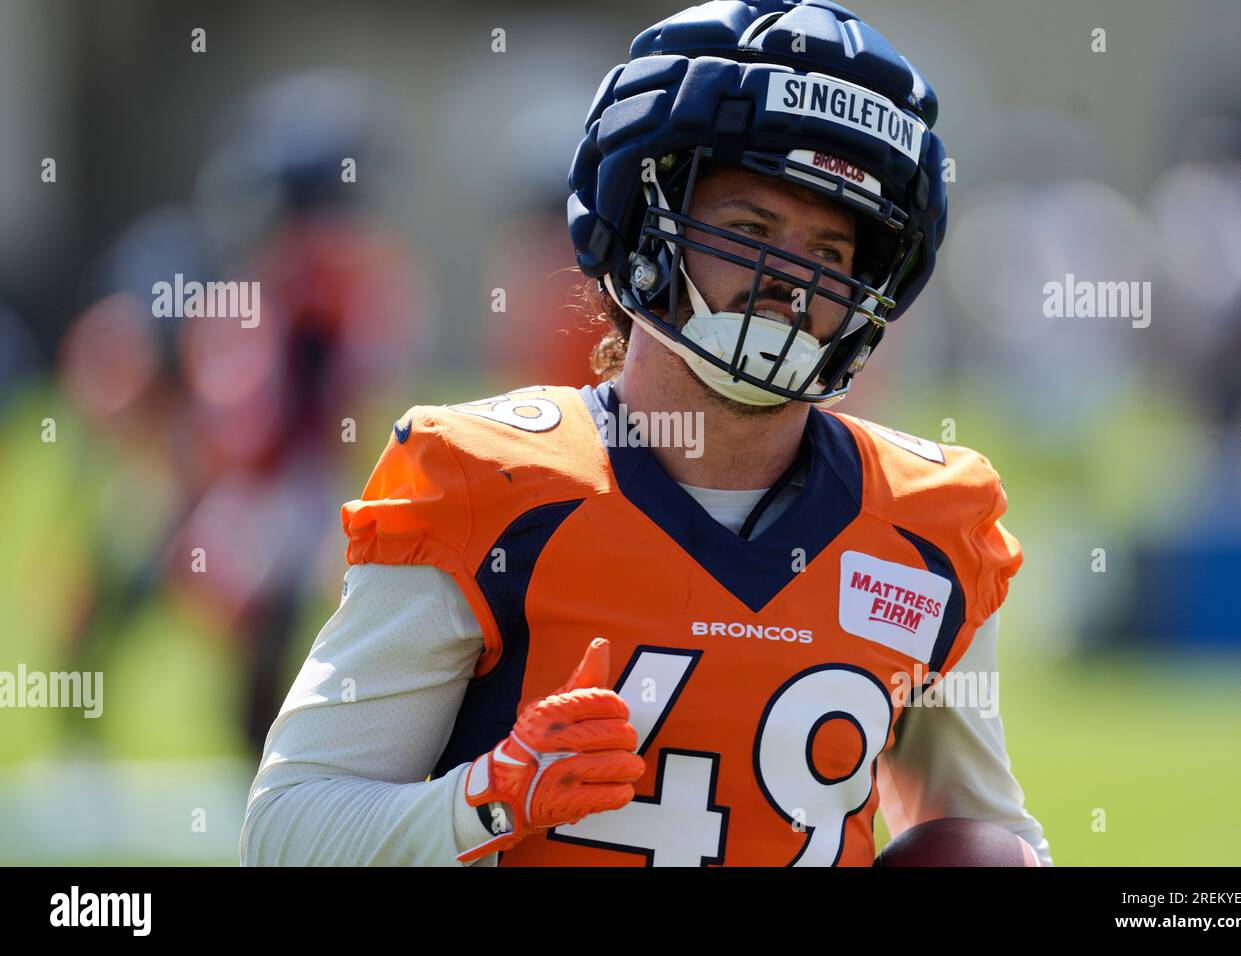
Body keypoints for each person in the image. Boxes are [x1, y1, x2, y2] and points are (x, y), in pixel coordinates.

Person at [242, 0, 1051, 867]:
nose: (792, 281)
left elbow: (987, 838)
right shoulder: (490, 487)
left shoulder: (925, 530)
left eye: (831, 251)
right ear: (646, 227)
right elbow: (287, 833)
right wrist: (486, 798)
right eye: (749, 232)